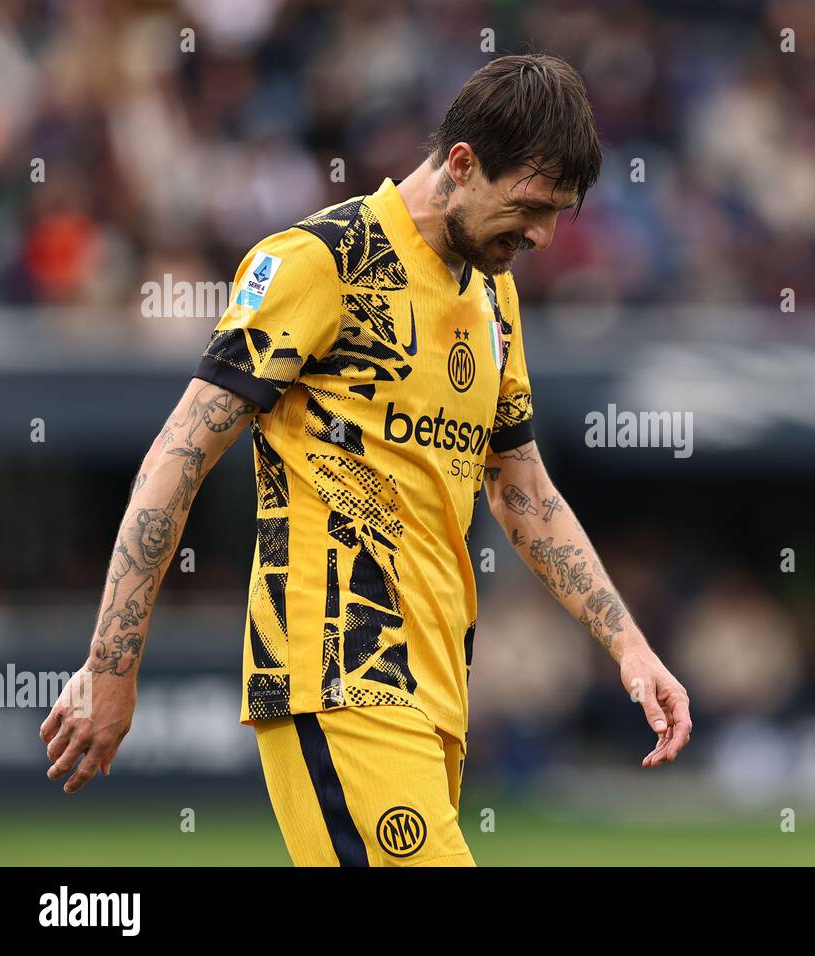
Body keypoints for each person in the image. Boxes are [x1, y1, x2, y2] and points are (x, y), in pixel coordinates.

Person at [39, 53, 692, 867]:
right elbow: (179, 455)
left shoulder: (494, 292)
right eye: (530, 206)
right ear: (461, 163)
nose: (542, 236)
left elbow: (521, 489)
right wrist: (111, 665)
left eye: (558, 214)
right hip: (335, 668)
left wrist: (630, 648)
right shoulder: (321, 262)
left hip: (438, 690)